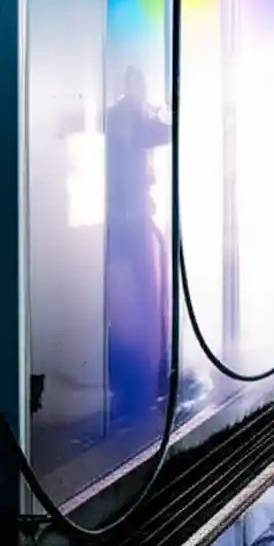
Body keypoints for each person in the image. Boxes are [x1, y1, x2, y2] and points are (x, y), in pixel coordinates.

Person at [104, 66, 172, 431]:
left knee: (140, 302)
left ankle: (140, 383)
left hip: (130, 217)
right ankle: (137, 385)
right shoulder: (124, 117)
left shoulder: (125, 115)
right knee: (136, 301)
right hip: (128, 218)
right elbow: (158, 133)